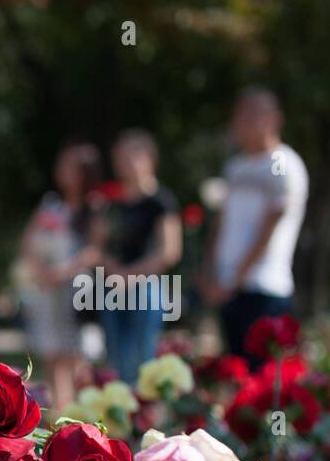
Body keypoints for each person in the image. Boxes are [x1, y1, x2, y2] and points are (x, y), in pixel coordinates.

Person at [201, 88, 309, 359]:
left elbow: (271, 227)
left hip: (264, 287)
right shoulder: (235, 168)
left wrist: (234, 279)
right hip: (228, 290)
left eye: (251, 116)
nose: (241, 123)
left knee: (263, 382)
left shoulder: (282, 163)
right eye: (239, 116)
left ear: (274, 119)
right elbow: (220, 225)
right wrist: (211, 275)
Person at [19, 143, 104, 410]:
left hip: (77, 290)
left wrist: (62, 271)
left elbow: (95, 249)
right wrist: (42, 271)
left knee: (77, 356)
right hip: (48, 290)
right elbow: (28, 242)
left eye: (69, 166)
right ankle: (58, 414)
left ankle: (82, 414)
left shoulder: (96, 208)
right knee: (52, 353)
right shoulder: (50, 205)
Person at [99, 130, 182, 383]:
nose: (124, 163)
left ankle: (144, 418)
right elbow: (99, 246)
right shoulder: (113, 203)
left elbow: (169, 251)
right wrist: (113, 270)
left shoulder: (161, 202)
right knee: (117, 359)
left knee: (142, 358)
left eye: (131, 156)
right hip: (112, 287)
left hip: (145, 288)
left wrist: (129, 275)